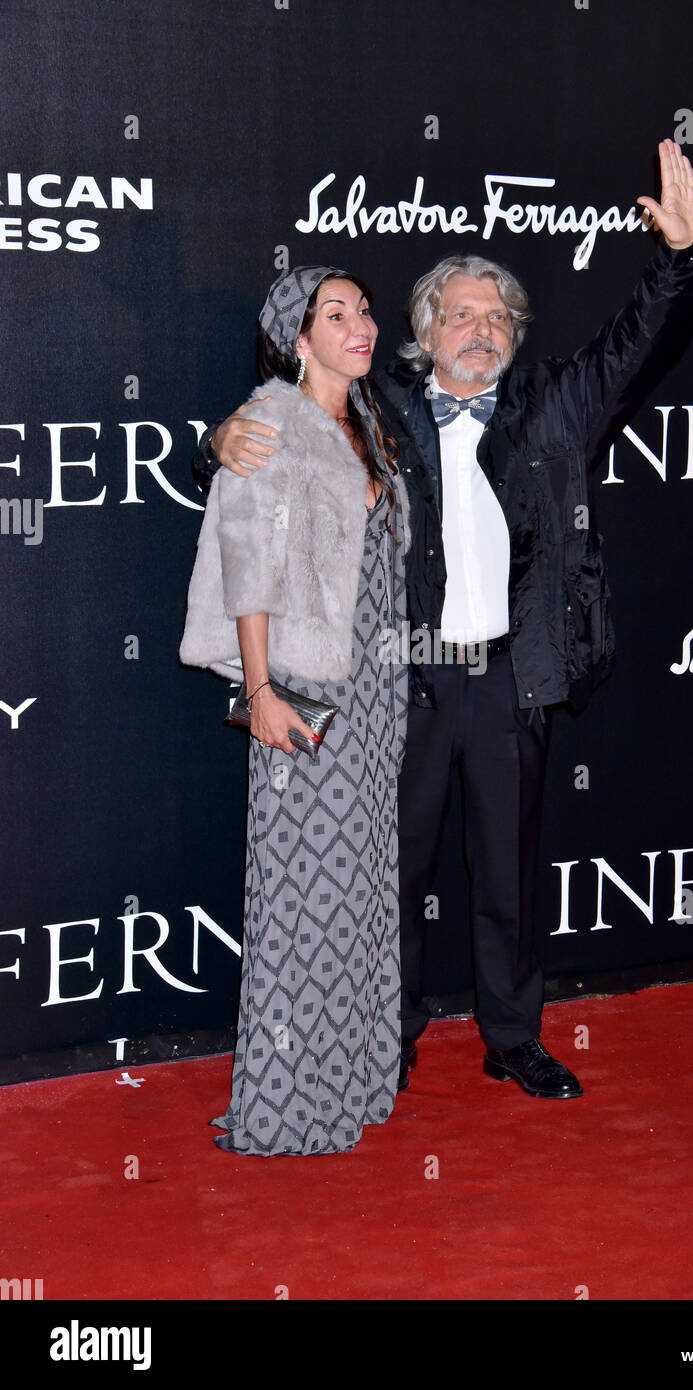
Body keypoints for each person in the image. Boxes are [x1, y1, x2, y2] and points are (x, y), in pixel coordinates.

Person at [194, 140, 693, 1101]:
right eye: (461, 313)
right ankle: (386, 1035)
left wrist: (676, 262)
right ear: (424, 331)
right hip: (404, 681)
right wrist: (214, 443)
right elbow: (270, 447)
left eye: (498, 315)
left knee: (509, 874)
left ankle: (514, 1038)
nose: (482, 327)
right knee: (394, 874)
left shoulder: (558, 405)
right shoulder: (379, 410)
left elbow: (643, 342)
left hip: (515, 677)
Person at [180, 265, 411, 1154]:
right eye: (335, 314)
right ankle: (289, 1104)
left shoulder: (371, 428)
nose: (359, 325)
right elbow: (248, 569)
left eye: (364, 310)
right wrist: (259, 691)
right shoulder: (269, 424)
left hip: (379, 697)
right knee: (303, 898)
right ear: (296, 336)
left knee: (358, 893)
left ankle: (351, 1079)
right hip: (305, 696)